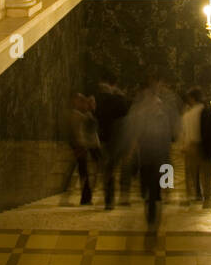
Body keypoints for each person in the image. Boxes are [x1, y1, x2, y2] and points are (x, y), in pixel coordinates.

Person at [126, 78, 179, 228]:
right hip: (147, 160)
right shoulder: (146, 119)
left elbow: (167, 143)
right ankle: (151, 212)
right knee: (149, 192)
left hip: (158, 160)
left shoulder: (161, 120)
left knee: (155, 193)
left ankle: (152, 215)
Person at [180, 87, 211, 206]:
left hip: (190, 147)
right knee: (206, 175)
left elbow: (184, 133)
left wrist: (184, 145)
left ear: (192, 99)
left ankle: (192, 196)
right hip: (205, 147)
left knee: (191, 174)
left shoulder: (187, 115)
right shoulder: (207, 112)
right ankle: (207, 200)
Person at [94, 71, 130, 210]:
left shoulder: (108, 97)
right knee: (111, 168)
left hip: (109, 138)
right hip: (114, 138)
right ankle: (113, 199)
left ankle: (110, 201)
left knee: (109, 169)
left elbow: (101, 114)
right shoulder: (117, 98)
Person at [69, 92, 99, 206]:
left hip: (84, 145)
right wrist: (81, 144)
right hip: (82, 145)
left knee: (85, 172)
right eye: (80, 100)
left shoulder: (83, 114)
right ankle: (86, 197)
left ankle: (86, 197)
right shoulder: (78, 115)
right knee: (84, 172)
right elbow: (80, 132)